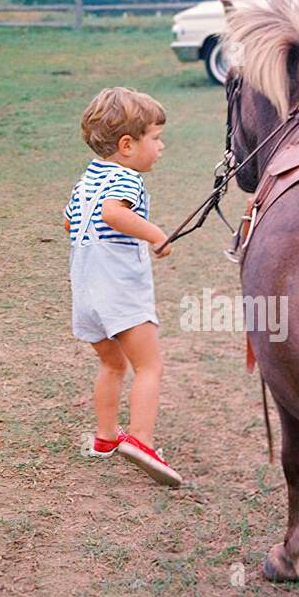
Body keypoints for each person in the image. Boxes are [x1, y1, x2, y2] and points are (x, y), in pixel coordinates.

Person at [64, 86, 181, 488]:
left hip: (85, 290)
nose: (162, 147)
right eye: (156, 137)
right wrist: (154, 234)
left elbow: (68, 223)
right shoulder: (125, 178)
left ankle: (105, 438)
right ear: (127, 145)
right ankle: (142, 441)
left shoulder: (87, 180)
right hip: (118, 287)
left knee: (112, 363)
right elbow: (114, 214)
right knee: (149, 365)